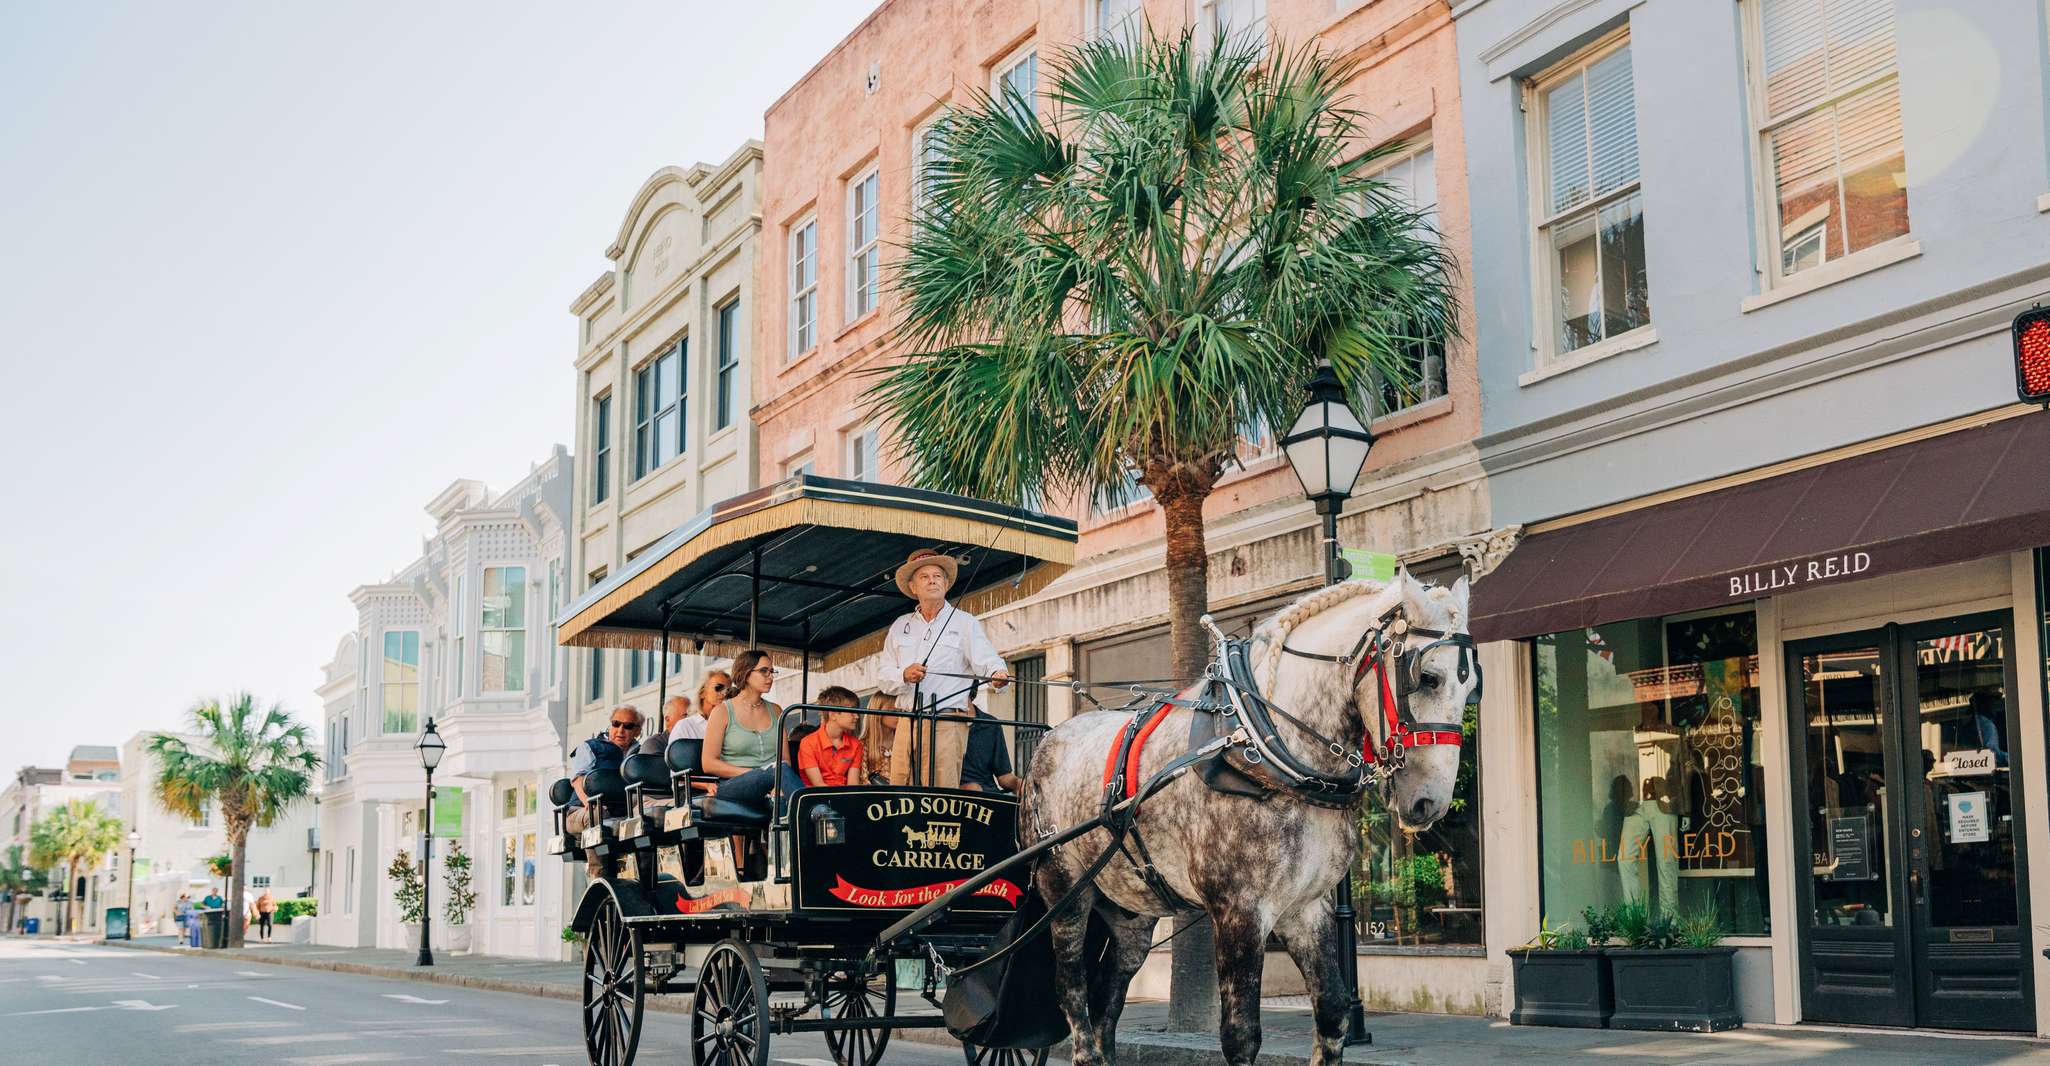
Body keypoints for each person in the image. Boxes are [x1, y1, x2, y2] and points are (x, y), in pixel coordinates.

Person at [876, 548, 1008, 788]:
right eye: (924, 576)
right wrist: (904, 675)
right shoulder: (900, 625)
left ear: (946, 584)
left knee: (941, 790)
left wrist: (998, 675)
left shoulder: (965, 622)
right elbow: (883, 676)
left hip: (947, 719)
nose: (932, 580)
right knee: (901, 785)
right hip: (907, 719)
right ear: (913, 587)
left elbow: (988, 660)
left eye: (937, 576)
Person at [703, 650, 805, 815]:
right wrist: (758, 774)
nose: (770, 676)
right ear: (745, 673)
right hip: (733, 784)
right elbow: (708, 764)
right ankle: (814, 810)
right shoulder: (722, 711)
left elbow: (785, 760)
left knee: (781, 800)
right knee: (778, 770)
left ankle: (785, 840)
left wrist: (774, 785)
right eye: (764, 671)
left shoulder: (777, 710)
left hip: (773, 778)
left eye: (772, 671)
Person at [565, 705, 644, 877]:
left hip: (621, 813)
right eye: (616, 724)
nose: (620, 730)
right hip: (579, 812)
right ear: (610, 726)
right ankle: (599, 879)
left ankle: (644, 880)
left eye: (628, 726)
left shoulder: (640, 754)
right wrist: (588, 803)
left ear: (637, 731)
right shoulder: (591, 747)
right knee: (596, 815)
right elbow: (577, 781)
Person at [796, 687, 867, 788]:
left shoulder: (856, 745)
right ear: (833, 715)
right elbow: (818, 785)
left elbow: (853, 784)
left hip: (843, 796)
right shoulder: (808, 743)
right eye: (851, 711)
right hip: (817, 797)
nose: (857, 716)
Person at [959, 709, 1022, 793]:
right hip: (957, 800)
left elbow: (1003, 776)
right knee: (972, 788)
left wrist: (1018, 783)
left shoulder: (991, 724)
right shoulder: (941, 725)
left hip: (991, 795)